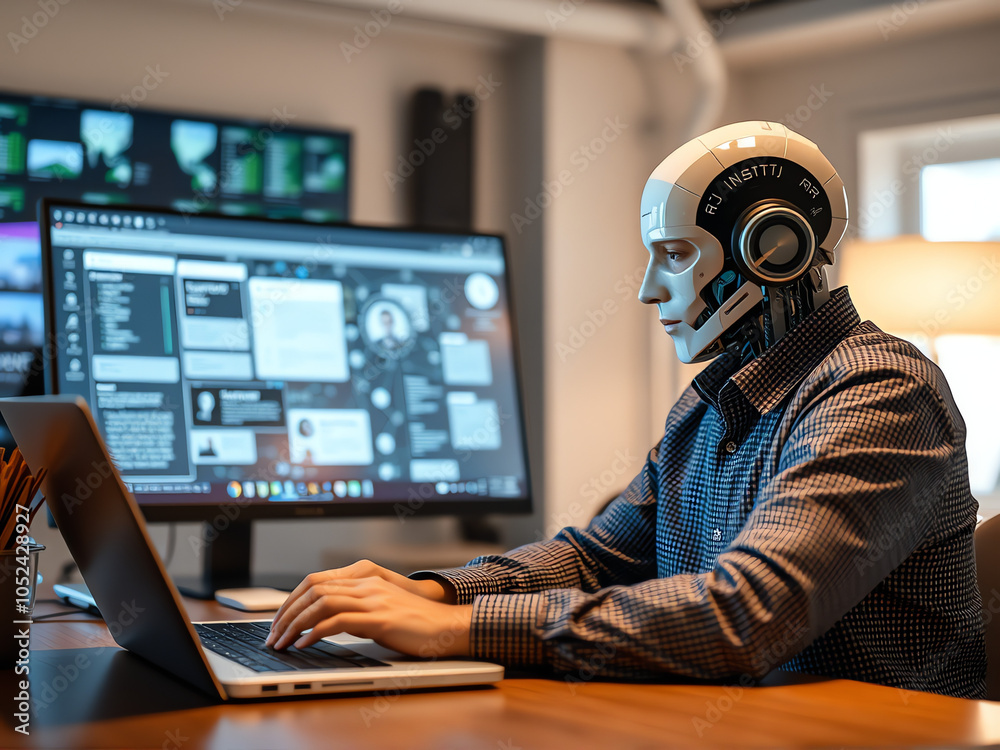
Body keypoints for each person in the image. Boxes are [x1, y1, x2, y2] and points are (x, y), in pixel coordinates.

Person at [267, 122, 986, 699]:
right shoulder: (718, 397)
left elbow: (744, 617)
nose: (649, 289)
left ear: (772, 250)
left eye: (673, 255)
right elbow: (596, 556)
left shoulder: (881, 394)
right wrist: (433, 591)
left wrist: (457, 629)